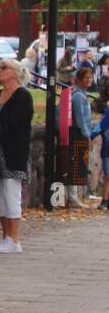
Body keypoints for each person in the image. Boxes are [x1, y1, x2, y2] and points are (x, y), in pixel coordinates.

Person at [0, 59, 33, 253]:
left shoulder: (23, 96)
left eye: (4, 68)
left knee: (12, 195)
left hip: (13, 153)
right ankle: (5, 236)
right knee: (0, 196)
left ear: (15, 72)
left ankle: (14, 238)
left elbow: (13, 124)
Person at [70, 65, 94, 207]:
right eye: (86, 78)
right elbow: (80, 118)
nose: (89, 80)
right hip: (78, 134)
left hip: (82, 133)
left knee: (80, 164)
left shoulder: (83, 95)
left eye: (90, 78)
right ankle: (73, 197)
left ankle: (76, 195)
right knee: (76, 164)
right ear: (78, 79)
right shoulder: (78, 96)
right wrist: (87, 135)